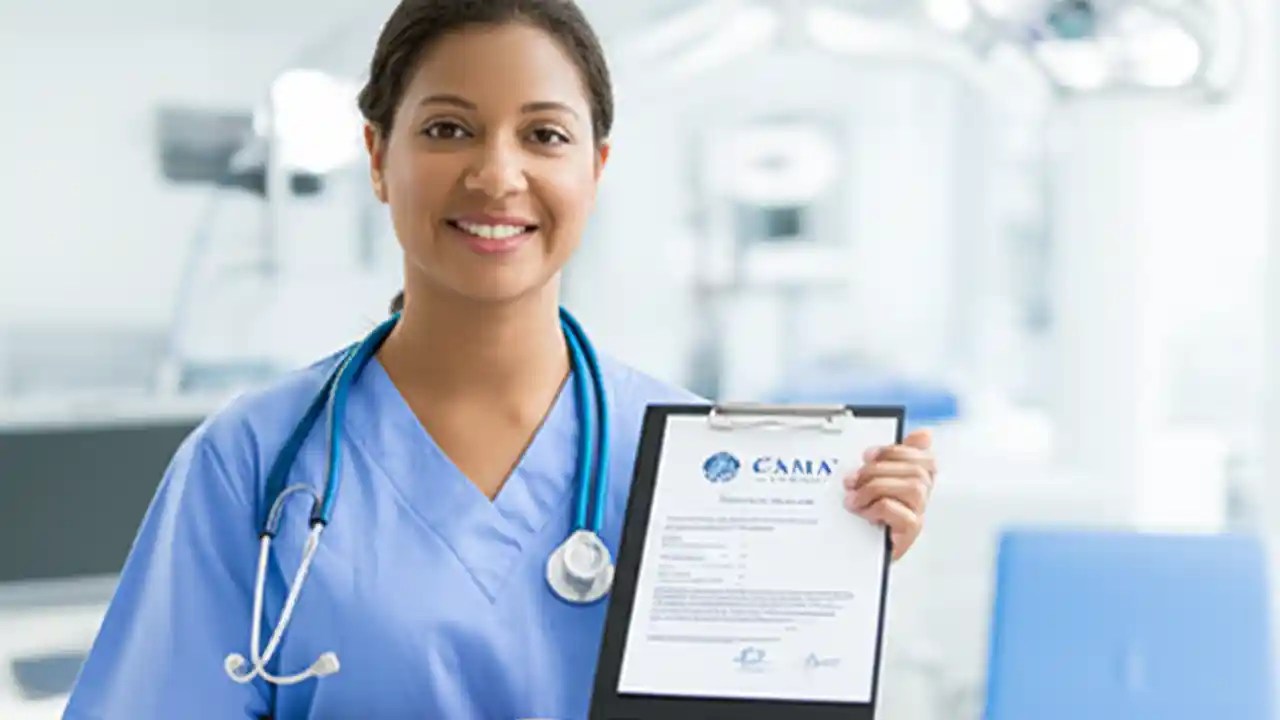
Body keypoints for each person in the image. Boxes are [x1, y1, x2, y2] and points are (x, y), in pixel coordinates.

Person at [63, 1, 939, 718]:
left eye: (545, 136)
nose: (496, 175)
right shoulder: (249, 464)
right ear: (378, 157)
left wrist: (827, 562)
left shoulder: (700, 466)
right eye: (448, 129)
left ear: (595, 168)